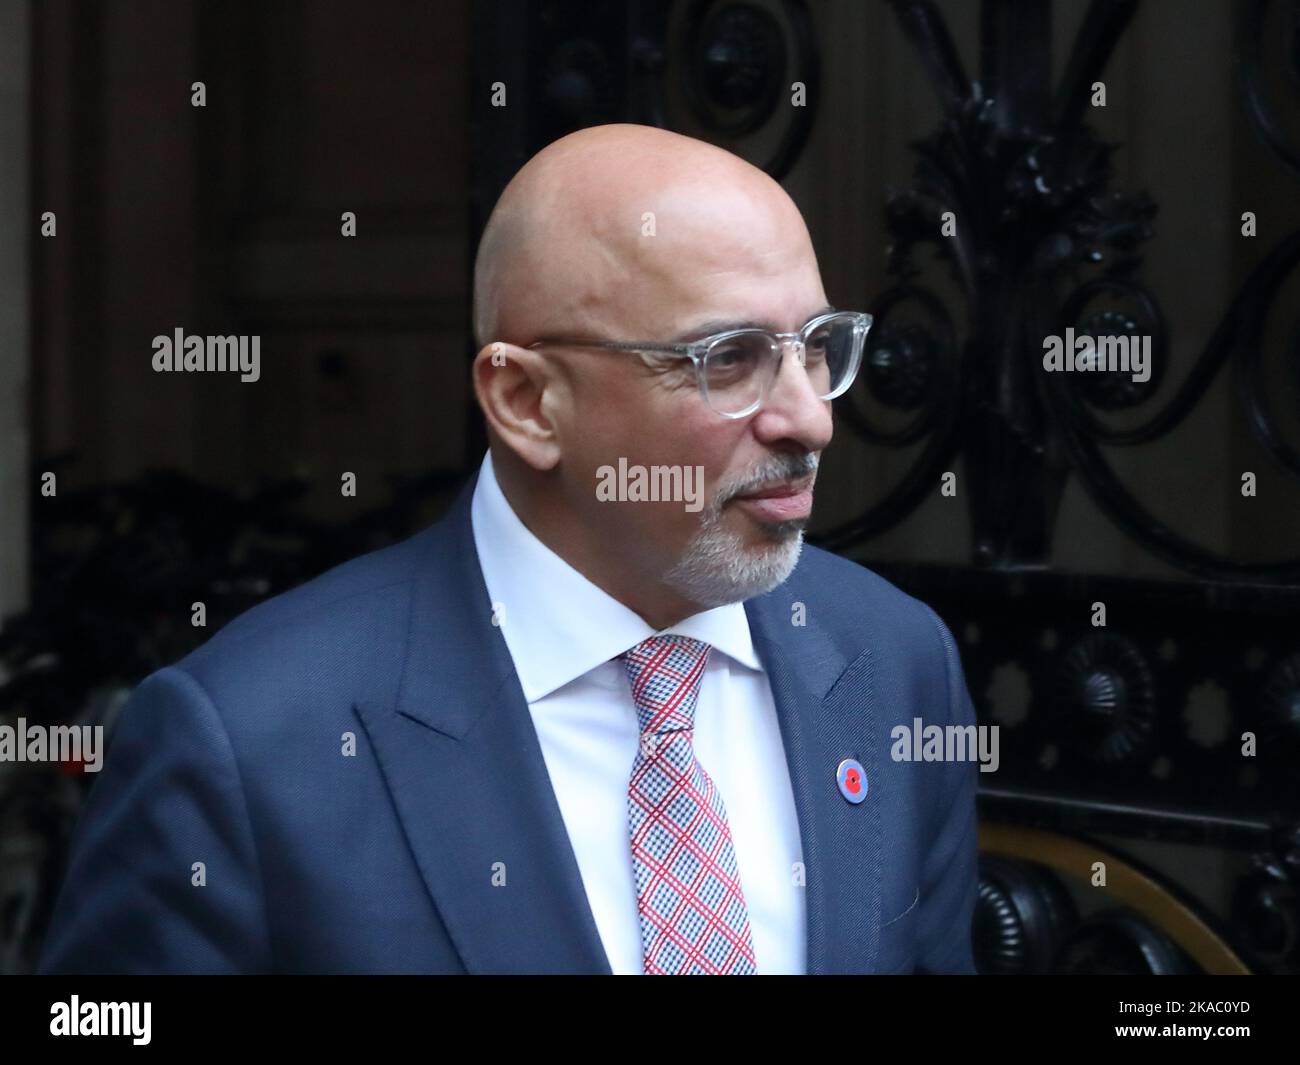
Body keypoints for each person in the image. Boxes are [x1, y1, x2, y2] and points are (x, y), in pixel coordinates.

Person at [39, 123, 978, 975]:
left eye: (817, 344)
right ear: (527, 403)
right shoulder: (246, 744)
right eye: (727, 358)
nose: (809, 416)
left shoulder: (891, 662)